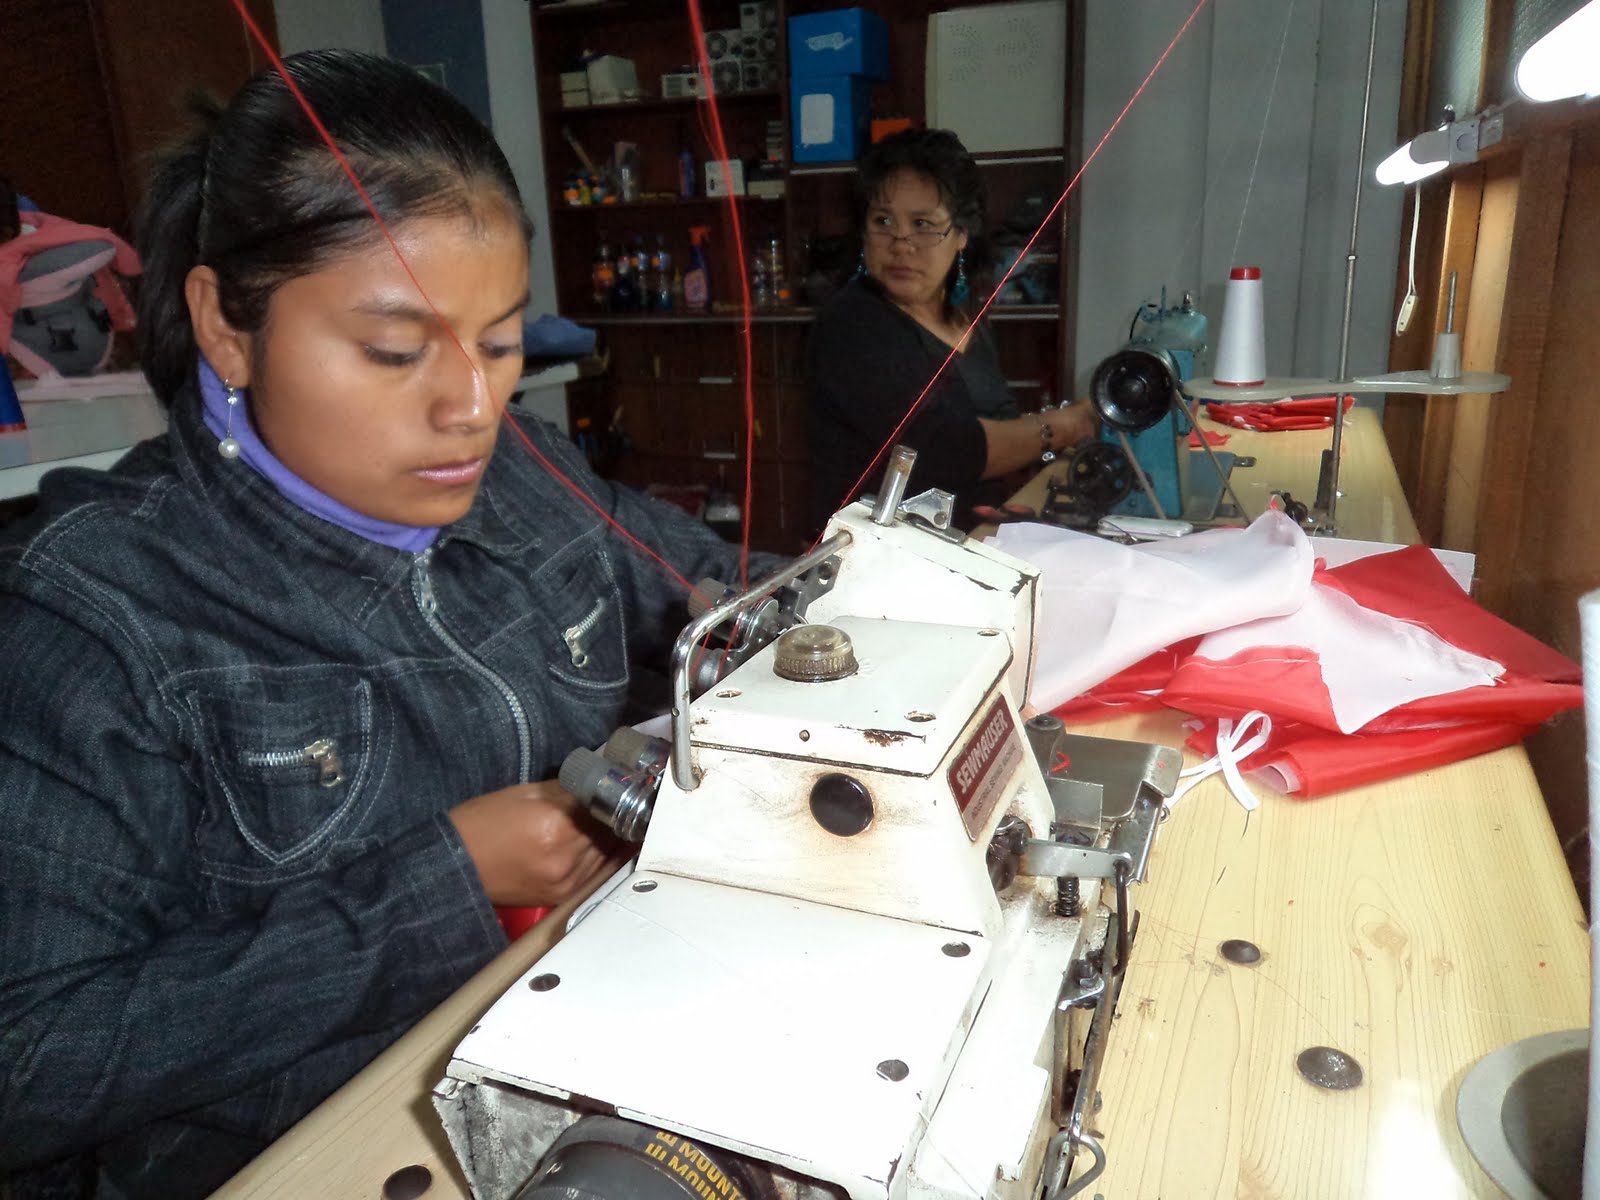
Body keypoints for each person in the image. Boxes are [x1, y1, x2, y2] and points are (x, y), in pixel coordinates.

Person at [0, 51, 769, 1200]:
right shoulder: (91, 624)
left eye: (502, 341)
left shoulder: (526, 478)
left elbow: (721, 587)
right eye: (397, 351)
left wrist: (780, 620)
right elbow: (31, 1065)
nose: (472, 406)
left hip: (592, 1046)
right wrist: (441, 887)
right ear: (226, 326)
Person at [805, 128, 1097, 533]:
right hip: (881, 561)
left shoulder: (964, 318)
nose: (901, 243)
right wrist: (1067, 425)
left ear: (961, 234)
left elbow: (1001, 420)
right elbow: (952, 451)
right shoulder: (852, 327)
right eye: (883, 220)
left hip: (969, 535)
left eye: (923, 223)